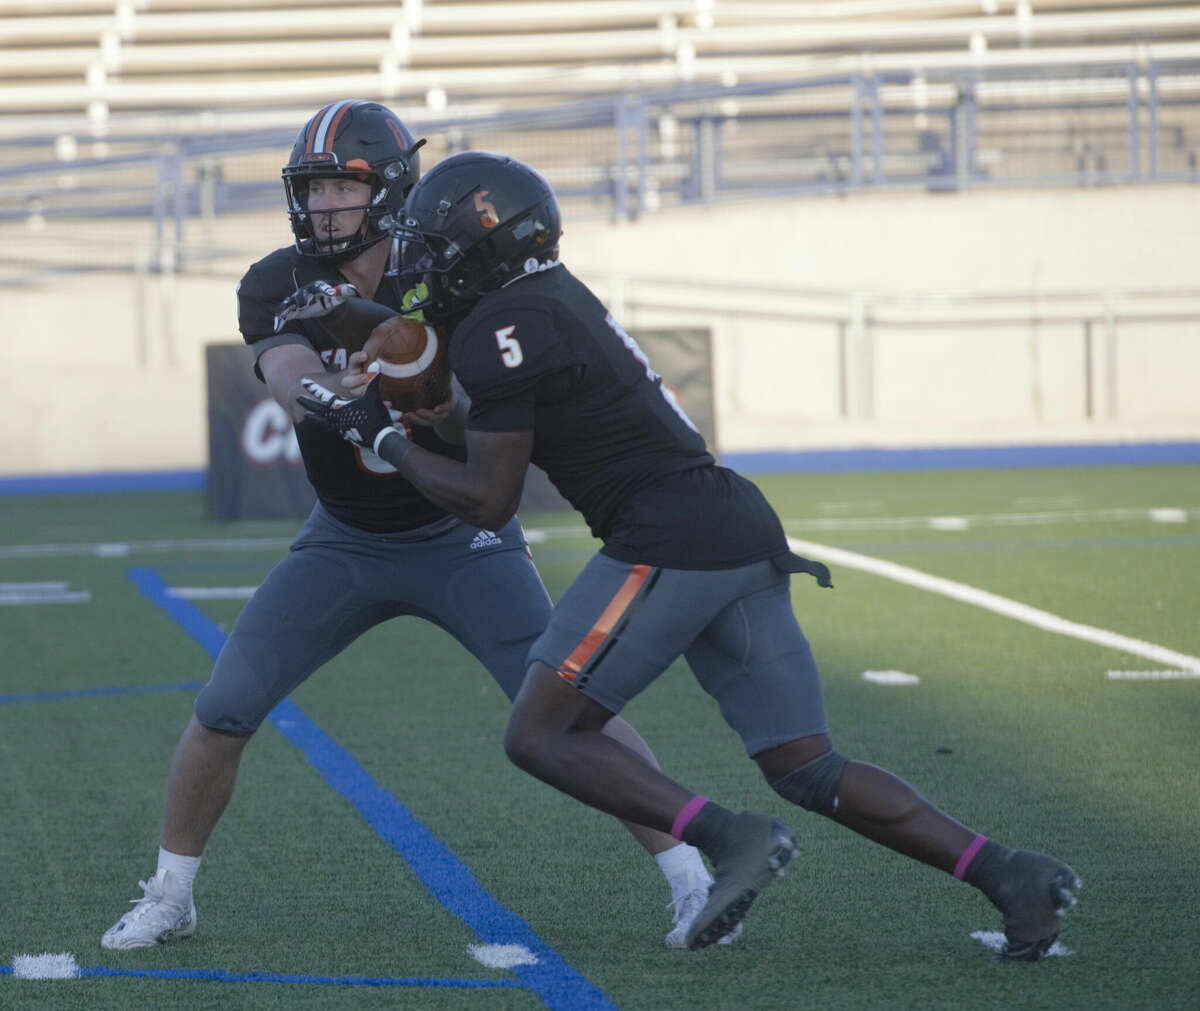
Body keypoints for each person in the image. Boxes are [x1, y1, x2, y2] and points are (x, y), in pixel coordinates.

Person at [297, 149, 1082, 959]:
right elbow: (459, 398)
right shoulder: (537, 303)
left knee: (540, 733)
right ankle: (1012, 875)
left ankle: (732, 837)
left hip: (668, 535)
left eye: (434, 242)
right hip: (732, 524)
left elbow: (487, 498)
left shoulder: (506, 324)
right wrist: (362, 347)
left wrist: (381, 435)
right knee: (806, 764)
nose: (422, 260)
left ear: (475, 245)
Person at [101, 101, 733, 952]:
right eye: (313, 186)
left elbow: (486, 410)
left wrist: (419, 399)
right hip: (346, 537)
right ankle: (171, 893)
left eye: (342, 186)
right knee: (224, 706)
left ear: (391, 189)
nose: (322, 205)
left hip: (460, 536)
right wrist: (347, 400)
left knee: (568, 713)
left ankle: (690, 875)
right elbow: (287, 376)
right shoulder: (275, 281)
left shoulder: (452, 270)